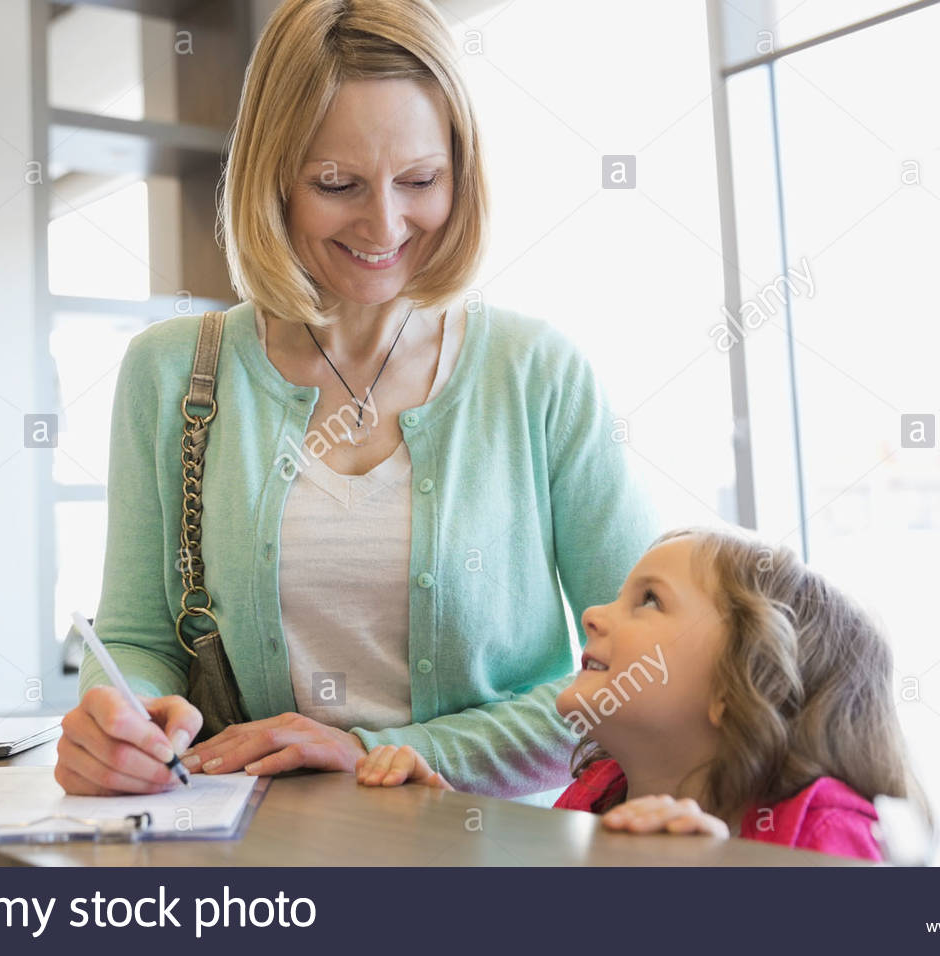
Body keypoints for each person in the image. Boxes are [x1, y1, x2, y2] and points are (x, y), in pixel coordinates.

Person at [54, 0, 658, 799]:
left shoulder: (537, 373)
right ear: (275, 180)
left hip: (492, 858)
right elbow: (137, 639)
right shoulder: (169, 375)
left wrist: (388, 749)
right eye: (336, 183)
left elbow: (644, 676)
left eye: (420, 180)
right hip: (258, 865)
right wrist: (118, 715)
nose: (385, 224)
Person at [356, 527, 931, 861]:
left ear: (746, 682)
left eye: (649, 600)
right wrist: (441, 822)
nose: (592, 614)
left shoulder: (825, 831)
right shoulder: (599, 791)